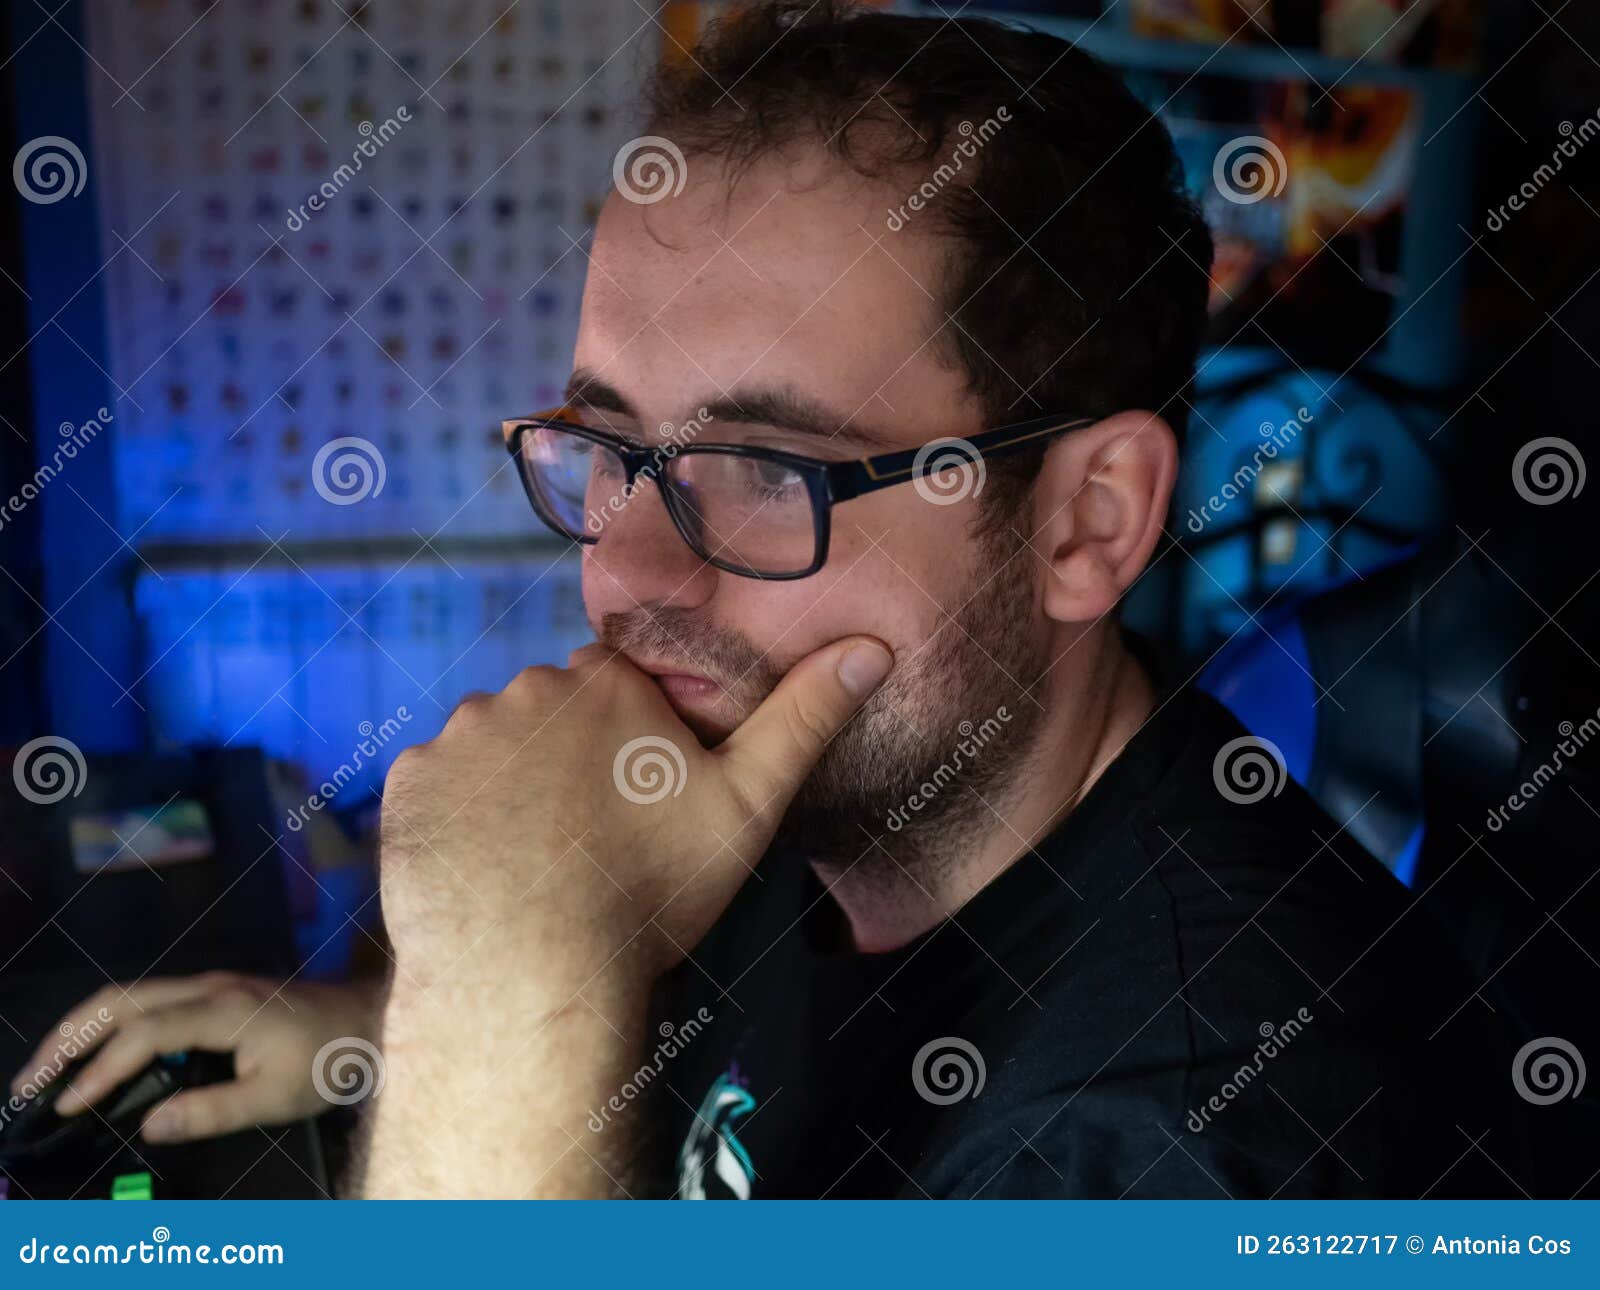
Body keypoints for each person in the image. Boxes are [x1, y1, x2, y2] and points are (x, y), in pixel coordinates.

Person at [16, 1, 1528, 1198]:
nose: (634, 572)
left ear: (1090, 519)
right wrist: (376, 1045)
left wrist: (499, 1003)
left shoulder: (1192, 1143)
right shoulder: (825, 792)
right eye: (611, 445)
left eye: (763, 467)